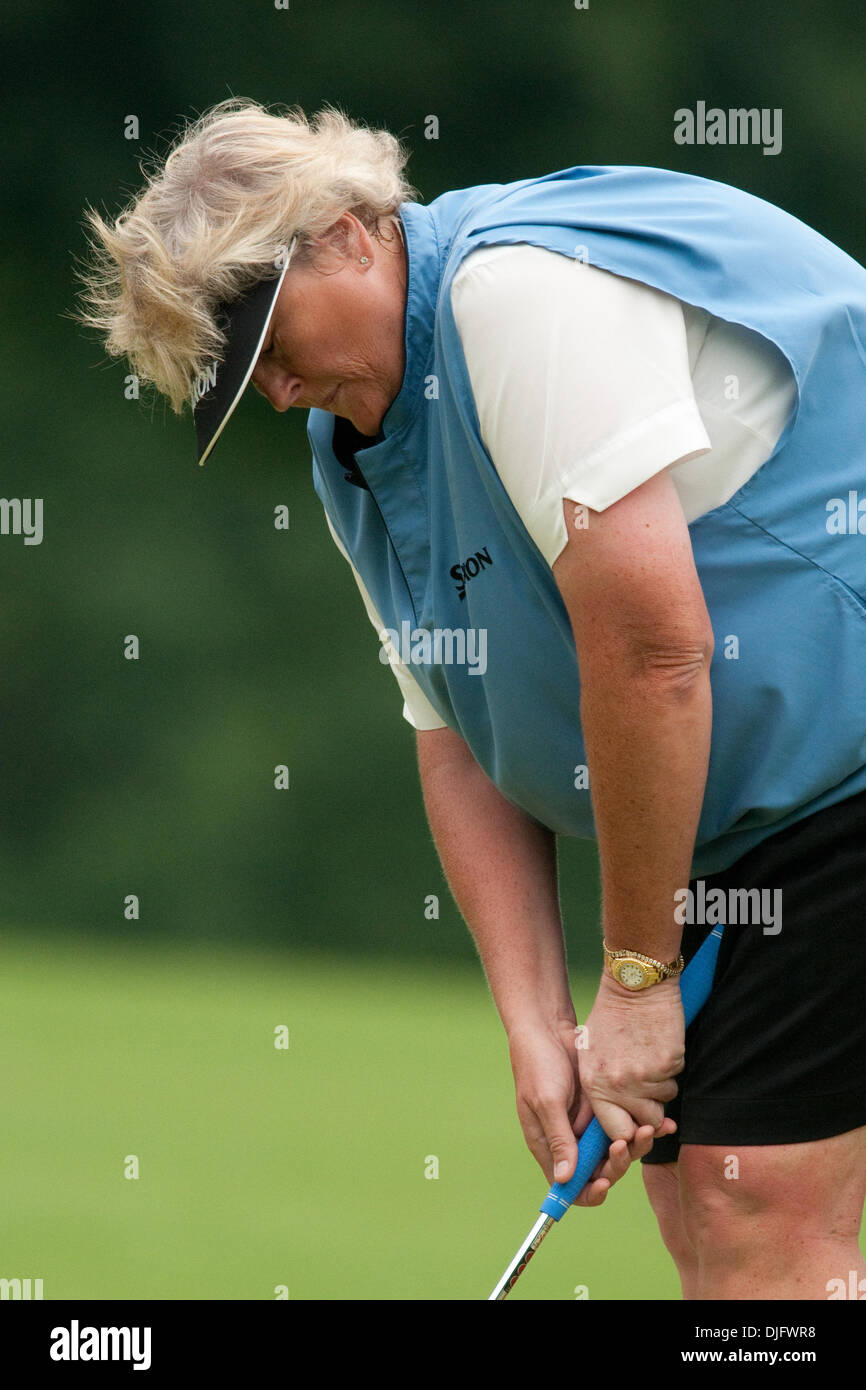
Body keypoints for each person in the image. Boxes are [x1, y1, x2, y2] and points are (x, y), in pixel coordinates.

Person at [77, 97, 866, 1300]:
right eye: (243, 383)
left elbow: (652, 654)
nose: (278, 393)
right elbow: (452, 727)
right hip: (735, 822)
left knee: (750, 1201)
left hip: (836, 769)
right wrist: (536, 1024)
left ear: (348, 233)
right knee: (701, 1208)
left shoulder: (515, 300)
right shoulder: (354, 449)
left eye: (267, 344)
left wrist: (636, 978)